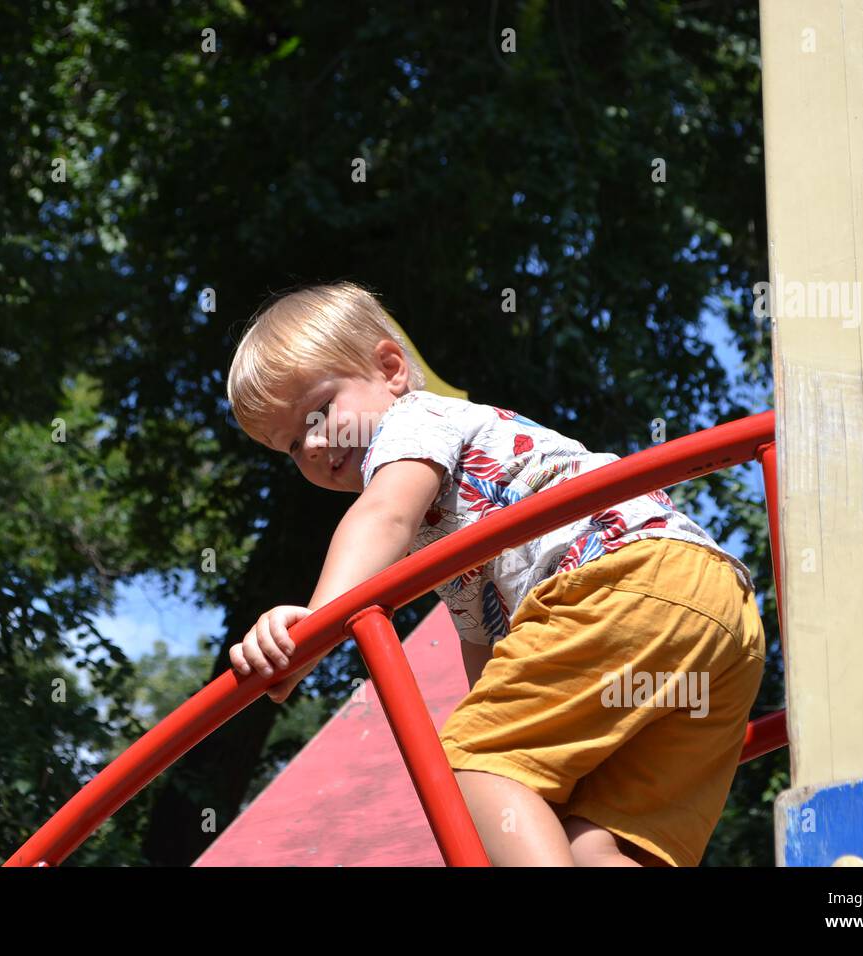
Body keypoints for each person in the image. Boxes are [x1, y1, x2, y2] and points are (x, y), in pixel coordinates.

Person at [224, 281, 765, 867]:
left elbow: (384, 515)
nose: (310, 444)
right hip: (717, 617)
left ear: (390, 368)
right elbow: (487, 650)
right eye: (288, 445)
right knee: (596, 840)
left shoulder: (415, 421)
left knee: (470, 770)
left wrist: (314, 628)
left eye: (318, 412)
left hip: (622, 582)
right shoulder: (447, 530)